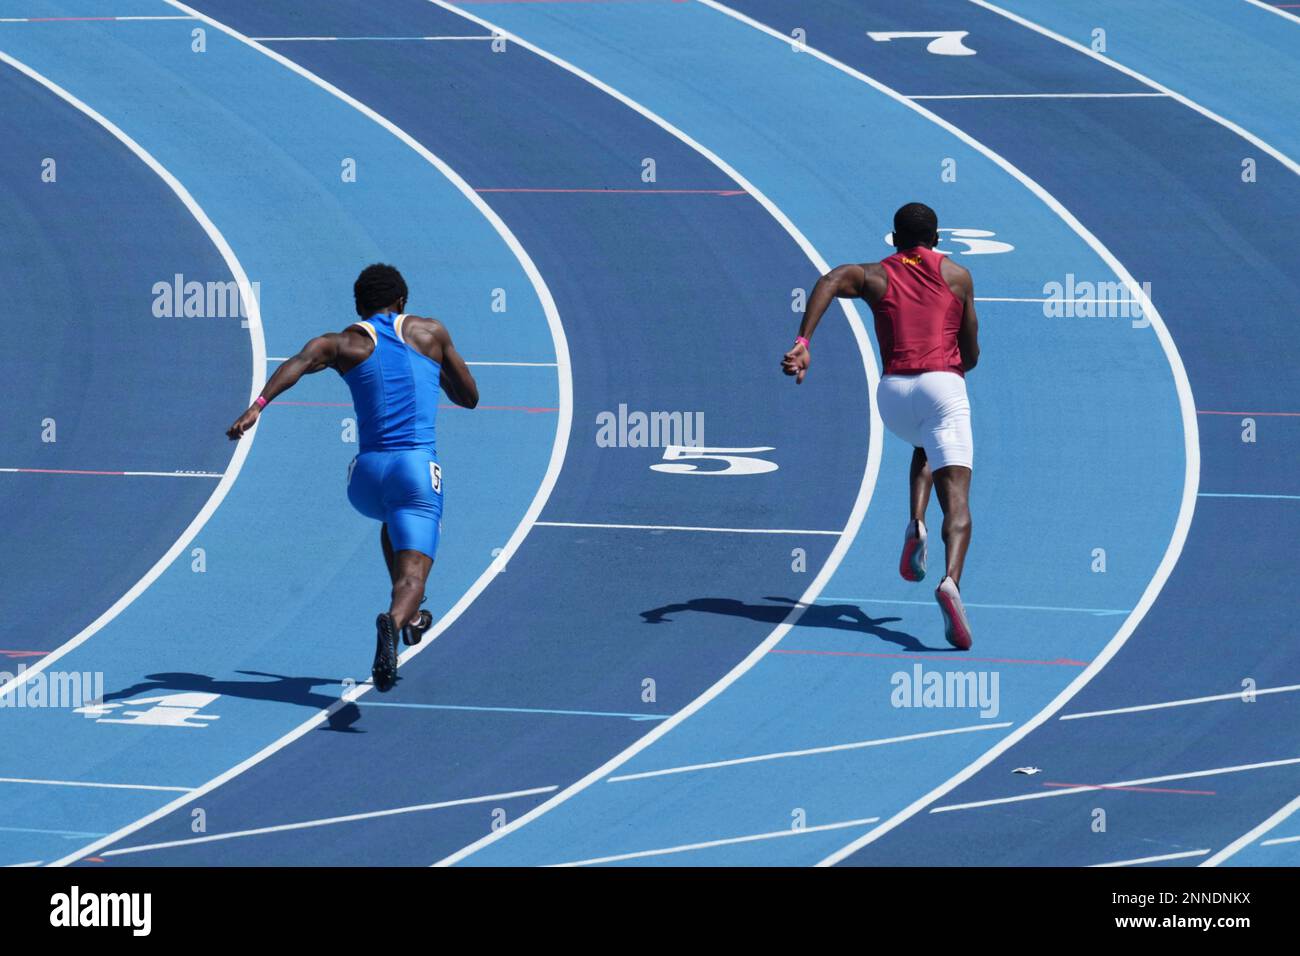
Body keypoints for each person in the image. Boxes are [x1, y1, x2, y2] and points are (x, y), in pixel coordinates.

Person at [227, 263, 479, 689]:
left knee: (391, 519)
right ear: (402, 301)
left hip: (364, 478)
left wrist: (258, 405)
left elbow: (300, 362)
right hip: (415, 471)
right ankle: (394, 620)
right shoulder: (430, 333)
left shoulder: (343, 344)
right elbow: (469, 397)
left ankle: (414, 617)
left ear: (359, 306)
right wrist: (435, 371)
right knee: (413, 576)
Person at [781, 203, 979, 650]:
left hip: (891, 396)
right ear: (938, 238)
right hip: (942, 386)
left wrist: (803, 342)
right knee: (959, 500)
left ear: (893, 237)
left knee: (925, 442)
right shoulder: (959, 277)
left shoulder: (875, 274)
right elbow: (971, 355)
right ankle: (951, 581)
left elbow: (830, 279)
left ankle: (915, 523)